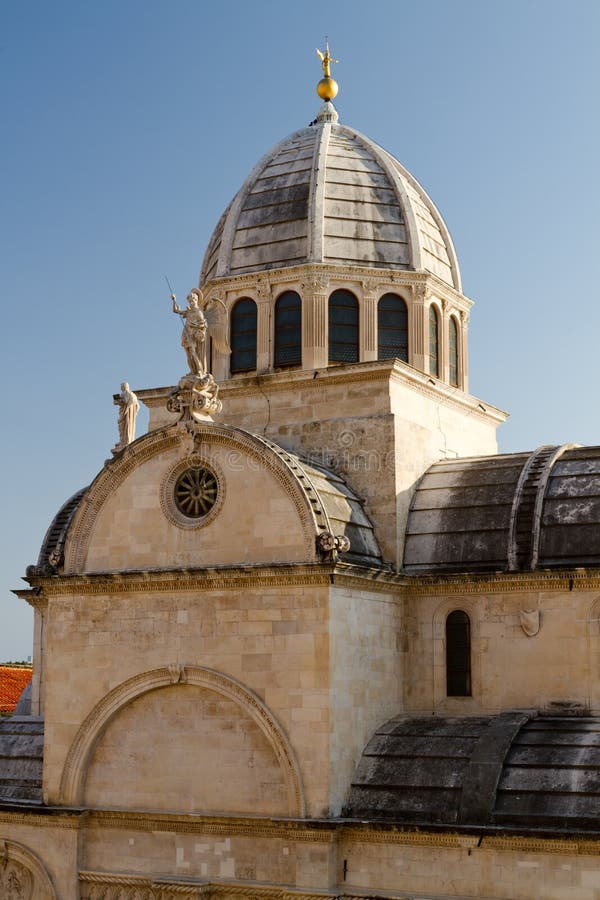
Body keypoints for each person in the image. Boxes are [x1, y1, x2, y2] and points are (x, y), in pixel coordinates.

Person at [172, 289, 208, 376]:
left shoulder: (199, 313)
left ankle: (199, 371)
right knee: (188, 355)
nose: (191, 302)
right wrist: (174, 300)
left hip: (193, 335)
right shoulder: (188, 312)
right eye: (190, 301)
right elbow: (176, 310)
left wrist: (194, 325)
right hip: (186, 334)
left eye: (193, 300)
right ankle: (192, 371)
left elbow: (203, 325)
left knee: (194, 353)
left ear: (197, 300)